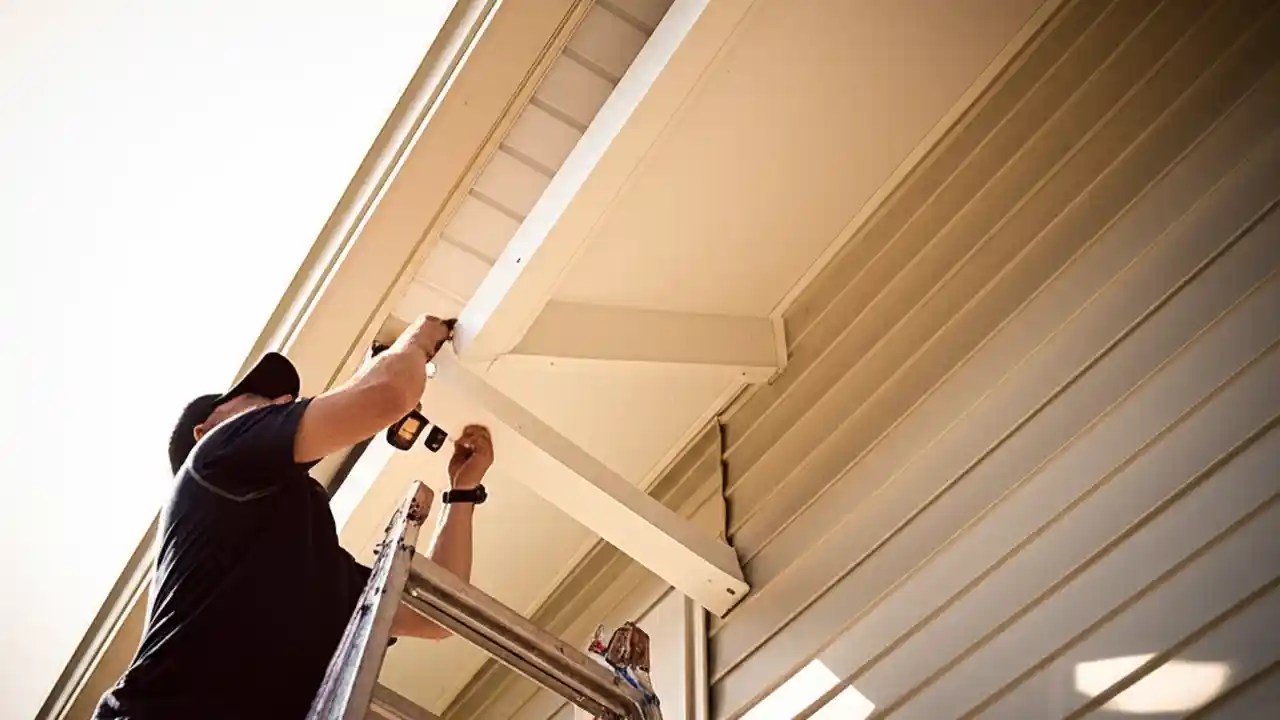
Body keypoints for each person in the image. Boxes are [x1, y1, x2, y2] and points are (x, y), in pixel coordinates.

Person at [95, 314, 490, 719]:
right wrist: (418, 339)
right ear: (206, 429)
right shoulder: (213, 458)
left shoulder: (307, 558)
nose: (283, 402)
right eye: (259, 399)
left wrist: (462, 491)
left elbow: (435, 616)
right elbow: (388, 393)